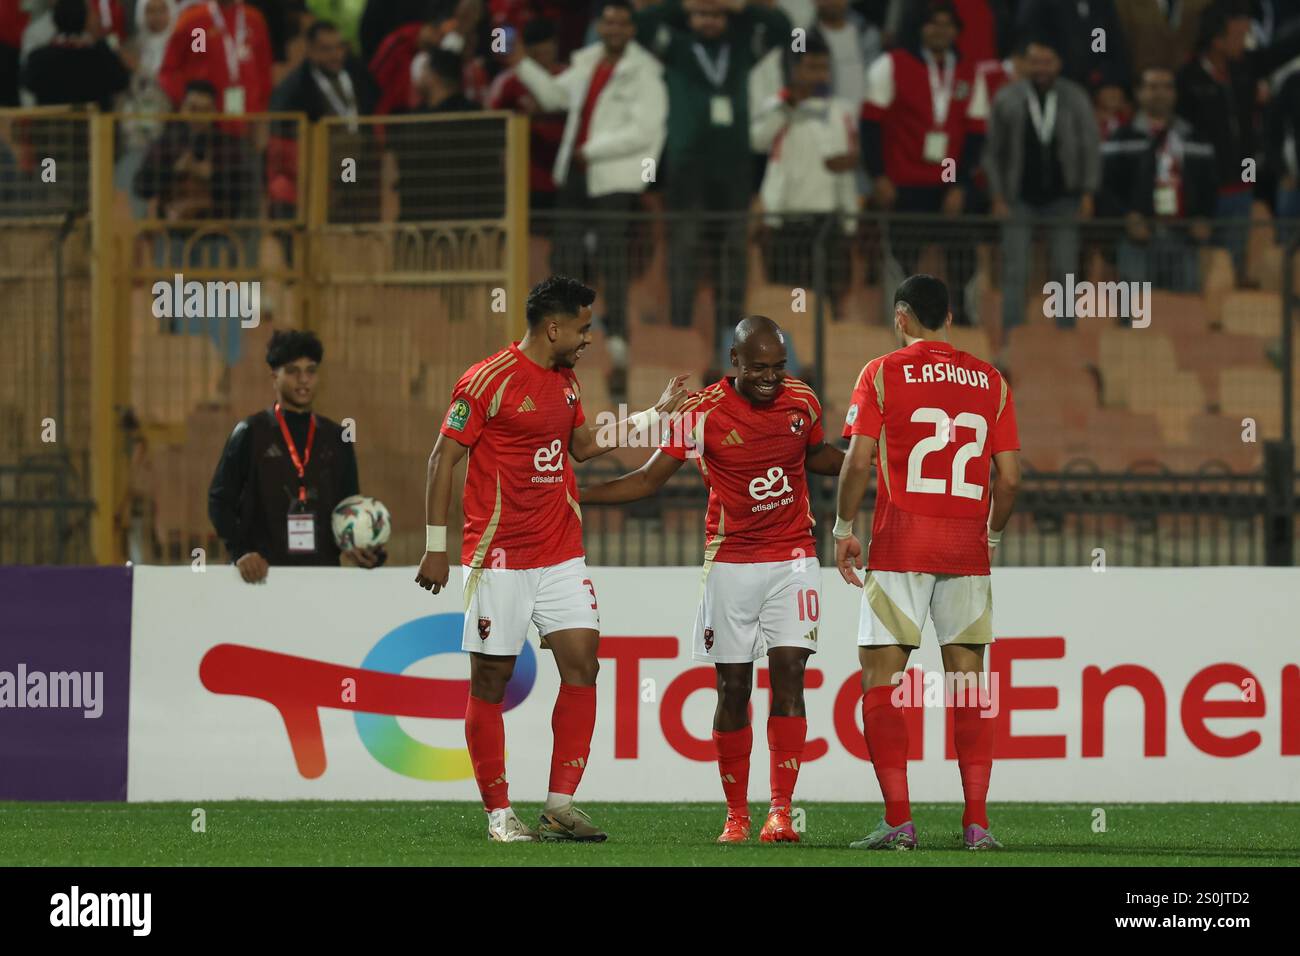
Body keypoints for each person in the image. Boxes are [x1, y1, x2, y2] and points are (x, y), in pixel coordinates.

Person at [414, 274, 688, 843]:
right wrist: (436, 548)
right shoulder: (487, 380)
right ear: (553, 326)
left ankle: (560, 805)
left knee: (583, 663)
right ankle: (498, 815)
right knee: (492, 680)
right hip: (500, 556)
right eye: (584, 329)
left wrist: (653, 415)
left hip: (560, 550)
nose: (589, 339)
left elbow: (583, 447)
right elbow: (444, 459)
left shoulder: (565, 381)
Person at [580, 316, 844, 843]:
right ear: (735, 363)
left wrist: (865, 459)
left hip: (794, 558)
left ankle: (779, 812)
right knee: (734, 687)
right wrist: (576, 496)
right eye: (760, 368)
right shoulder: (700, 413)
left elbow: (813, 454)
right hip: (730, 563)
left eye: (779, 367)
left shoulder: (803, 400)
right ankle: (736, 815)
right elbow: (649, 479)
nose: (772, 378)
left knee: (790, 673)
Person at [833, 274, 1021, 851]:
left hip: (900, 547)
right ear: (952, 320)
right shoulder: (991, 381)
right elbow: (1010, 478)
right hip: (965, 550)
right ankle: (977, 824)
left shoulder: (882, 373)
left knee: (883, 682)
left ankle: (900, 822)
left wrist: (843, 526)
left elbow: (859, 460)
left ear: (902, 317)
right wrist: (988, 536)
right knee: (970, 686)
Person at [504, 0, 667, 385]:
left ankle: (620, 348)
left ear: (632, 29)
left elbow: (645, 131)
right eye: (607, 22)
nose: (613, 29)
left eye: (621, 23)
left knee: (612, 262)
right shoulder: (588, 60)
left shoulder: (646, 72)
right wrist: (520, 63)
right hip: (576, 175)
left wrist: (591, 151)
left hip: (612, 178)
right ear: (601, 26)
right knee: (565, 258)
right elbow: (555, 98)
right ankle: (559, 346)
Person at [635, 0, 792, 359]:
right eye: (702, 13)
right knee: (684, 249)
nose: (709, 20)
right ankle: (680, 332)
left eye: (716, 13)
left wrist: (741, 7)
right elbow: (640, 26)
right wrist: (682, 5)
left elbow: (783, 29)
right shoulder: (675, 46)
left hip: (735, 167)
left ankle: (731, 338)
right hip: (686, 167)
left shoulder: (741, 46)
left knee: (733, 253)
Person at [208, 329, 385, 584]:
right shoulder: (250, 433)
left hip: (322, 578)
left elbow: (349, 508)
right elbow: (220, 501)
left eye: (311, 371)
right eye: (292, 371)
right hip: (262, 577)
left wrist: (364, 548)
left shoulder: (338, 438)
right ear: (274, 376)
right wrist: (241, 552)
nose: (303, 380)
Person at [861, 1, 980, 325]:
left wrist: (960, 184)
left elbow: (974, 135)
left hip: (947, 185)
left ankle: (965, 323)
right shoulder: (892, 64)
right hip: (904, 183)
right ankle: (900, 323)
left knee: (964, 260)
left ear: (956, 30)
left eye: (946, 24)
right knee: (902, 259)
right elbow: (870, 124)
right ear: (920, 28)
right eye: (932, 23)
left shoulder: (969, 71)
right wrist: (879, 176)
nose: (939, 30)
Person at [983, 37, 1099, 336]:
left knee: (1065, 272)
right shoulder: (1006, 97)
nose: (1041, 68)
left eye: (1047, 62)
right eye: (1035, 62)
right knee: (1015, 271)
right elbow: (992, 152)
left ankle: (1066, 335)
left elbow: (1090, 146)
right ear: (1024, 64)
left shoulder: (1076, 97)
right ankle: (1012, 338)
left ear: (1058, 64)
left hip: (1065, 197)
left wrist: (1087, 192)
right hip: (1017, 198)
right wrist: (996, 194)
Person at [751, 31, 857, 307]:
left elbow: (845, 168)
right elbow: (757, 141)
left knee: (830, 300)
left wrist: (850, 222)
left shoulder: (841, 111)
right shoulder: (777, 105)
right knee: (789, 301)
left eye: (823, 68)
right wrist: (786, 106)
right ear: (795, 69)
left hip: (829, 222)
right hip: (786, 219)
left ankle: (828, 351)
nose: (819, 75)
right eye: (811, 68)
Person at [1100, 66, 1216, 291]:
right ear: (1139, 93)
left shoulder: (1195, 137)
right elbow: (1106, 187)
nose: (1160, 93)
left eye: (1167, 87)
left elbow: (1209, 186)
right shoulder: (1121, 137)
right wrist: (1127, 218)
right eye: (1153, 87)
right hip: (1136, 240)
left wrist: (1203, 217)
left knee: (1185, 312)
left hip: (1185, 239)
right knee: (1136, 312)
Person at [158, 0, 274, 115]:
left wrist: (261, 108)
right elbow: (168, 70)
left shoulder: (254, 20)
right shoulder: (193, 19)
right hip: (202, 117)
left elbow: (264, 71)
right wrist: (184, 100)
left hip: (247, 114)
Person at [21, 0, 129, 109]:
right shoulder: (102, 57)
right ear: (85, 20)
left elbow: (28, 84)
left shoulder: (38, 59)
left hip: (52, 124)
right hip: (95, 124)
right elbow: (121, 81)